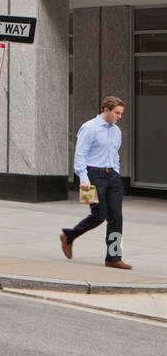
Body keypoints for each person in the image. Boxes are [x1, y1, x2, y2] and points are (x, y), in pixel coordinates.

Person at [60, 96, 131, 269]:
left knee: (116, 217)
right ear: (106, 110)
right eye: (117, 113)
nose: (119, 117)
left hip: (112, 176)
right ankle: (69, 236)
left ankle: (113, 258)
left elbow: (115, 154)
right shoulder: (89, 128)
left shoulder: (116, 131)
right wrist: (83, 179)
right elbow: (80, 155)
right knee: (99, 215)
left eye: (121, 113)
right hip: (93, 176)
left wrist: (116, 172)